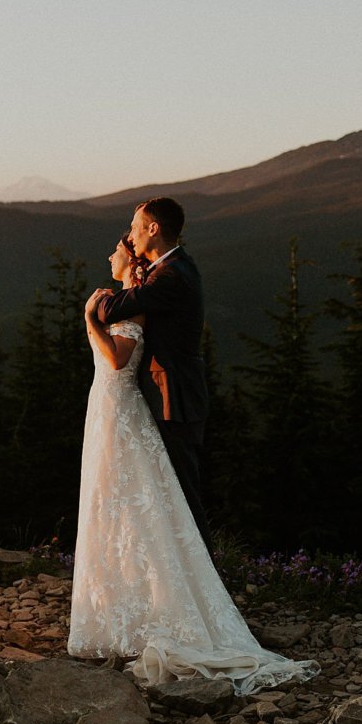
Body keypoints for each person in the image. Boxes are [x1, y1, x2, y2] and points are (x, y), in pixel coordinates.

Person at [67, 223, 318, 694]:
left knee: (153, 503)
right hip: (111, 408)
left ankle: (190, 598)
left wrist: (89, 318)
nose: (110, 255)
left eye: (118, 248)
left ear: (139, 249)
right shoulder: (143, 290)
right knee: (116, 504)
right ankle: (127, 602)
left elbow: (119, 357)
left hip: (125, 405)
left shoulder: (153, 289)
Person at [96, 198, 211, 545]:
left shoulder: (172, 276)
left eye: (135, 227)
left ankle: (206, 587)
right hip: (166, 395)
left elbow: (112, 308)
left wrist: (92, 305)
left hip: (174, 398)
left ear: (153, 228)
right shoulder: (172, 269)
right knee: (171, 492)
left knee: (184, 495)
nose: (131, 235)